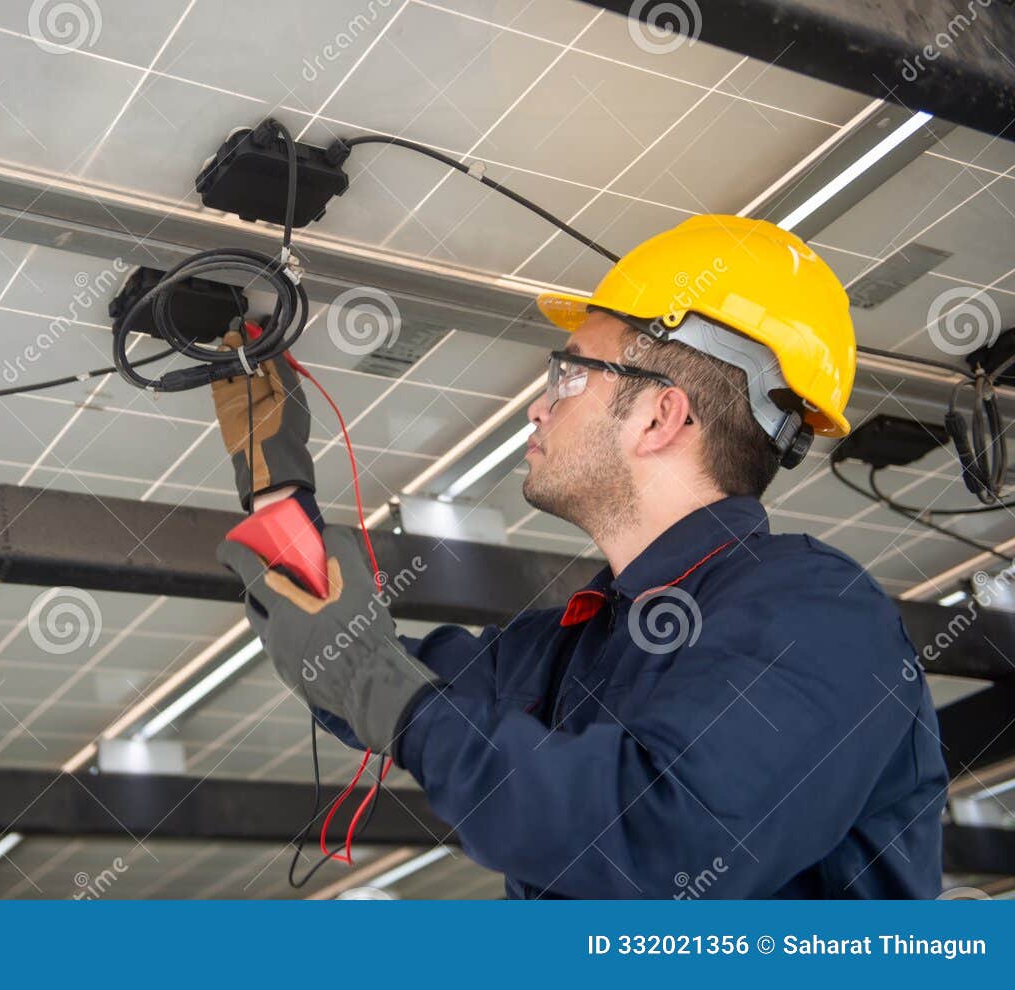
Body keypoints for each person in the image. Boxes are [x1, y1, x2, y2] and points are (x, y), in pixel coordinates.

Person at [210, 215, 947, 899]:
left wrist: (383, 691)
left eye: (570, 374)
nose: (539, 405)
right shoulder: (570, 645)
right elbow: (367, 675)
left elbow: (666, 845)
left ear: (662, 415)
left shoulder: (818, 615)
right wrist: (276, 487)